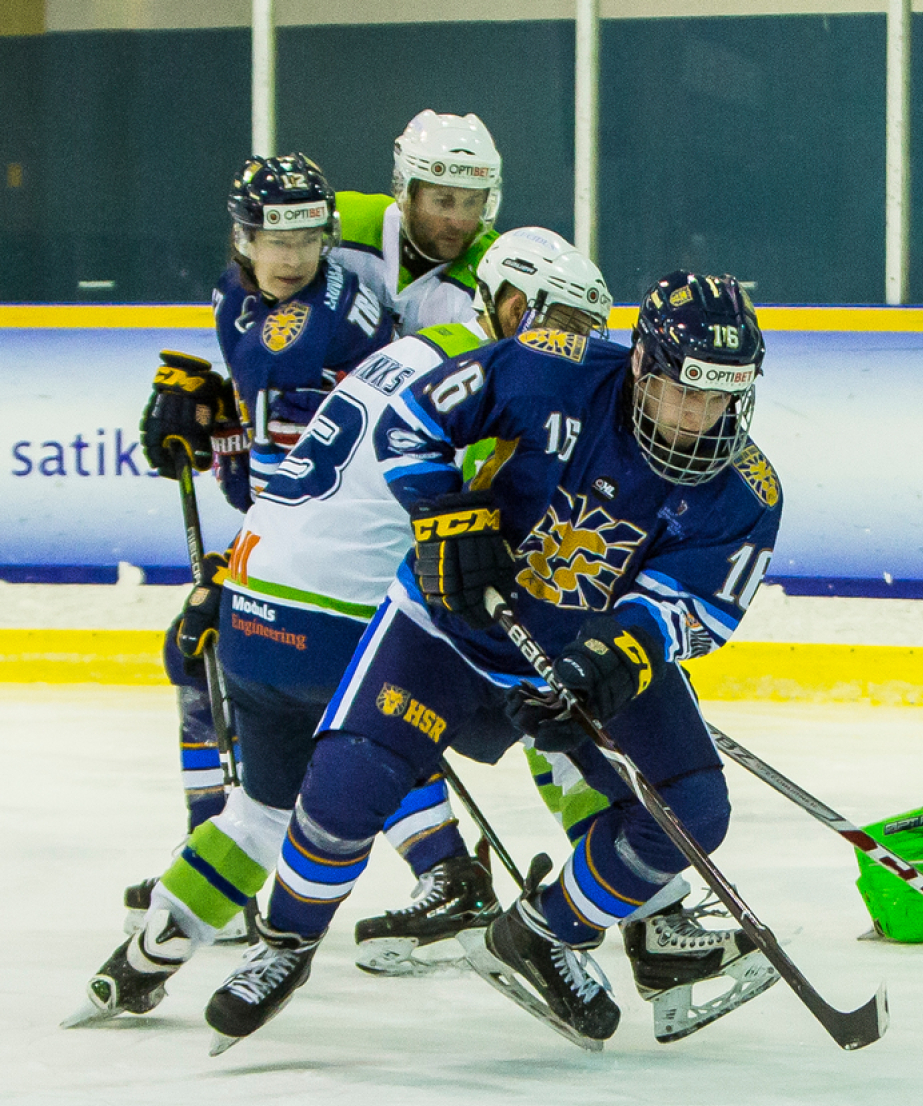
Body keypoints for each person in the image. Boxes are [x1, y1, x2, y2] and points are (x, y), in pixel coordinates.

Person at [199, 271, 783, 1053]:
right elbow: (408, 420)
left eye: (723, 400)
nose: (702, 419)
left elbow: (696, 609)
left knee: (694, 808)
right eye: (687, 394)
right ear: (643, 364)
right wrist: (446, 514)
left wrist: (612, 659)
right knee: (348, 783)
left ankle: (544, 932)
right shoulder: (551, 366)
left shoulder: (748, 489)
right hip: (449, 625)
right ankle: (286, 944)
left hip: (579, 648)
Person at [66, 228, 615, 1029]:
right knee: (551, 706)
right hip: (336, 625)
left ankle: (140, 961)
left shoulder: (414, 349)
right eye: (562, 320)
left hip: (251, 606)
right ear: (511, 302)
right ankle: (631, 913)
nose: (572, 344)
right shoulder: (498, 380)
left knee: (259, 812)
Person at [120, 153, 393, 941]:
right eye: (273, 238)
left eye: (307, 237)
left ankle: (445, 866)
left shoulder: (329, 315)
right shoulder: (238, 295)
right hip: (283, 529)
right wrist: (213, 418)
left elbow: (292, 405)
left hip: (344, 543)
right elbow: (256, 474)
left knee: (352, 701)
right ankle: (212, 842)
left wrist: (229, 417)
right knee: (195, 654)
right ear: (242, 238)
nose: (290, 256)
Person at [330, 110, 503, 336]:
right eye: (443, 201)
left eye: (471, 203)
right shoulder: (341, 221)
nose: (458, 222)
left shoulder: (496, 269)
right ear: (405, 192)